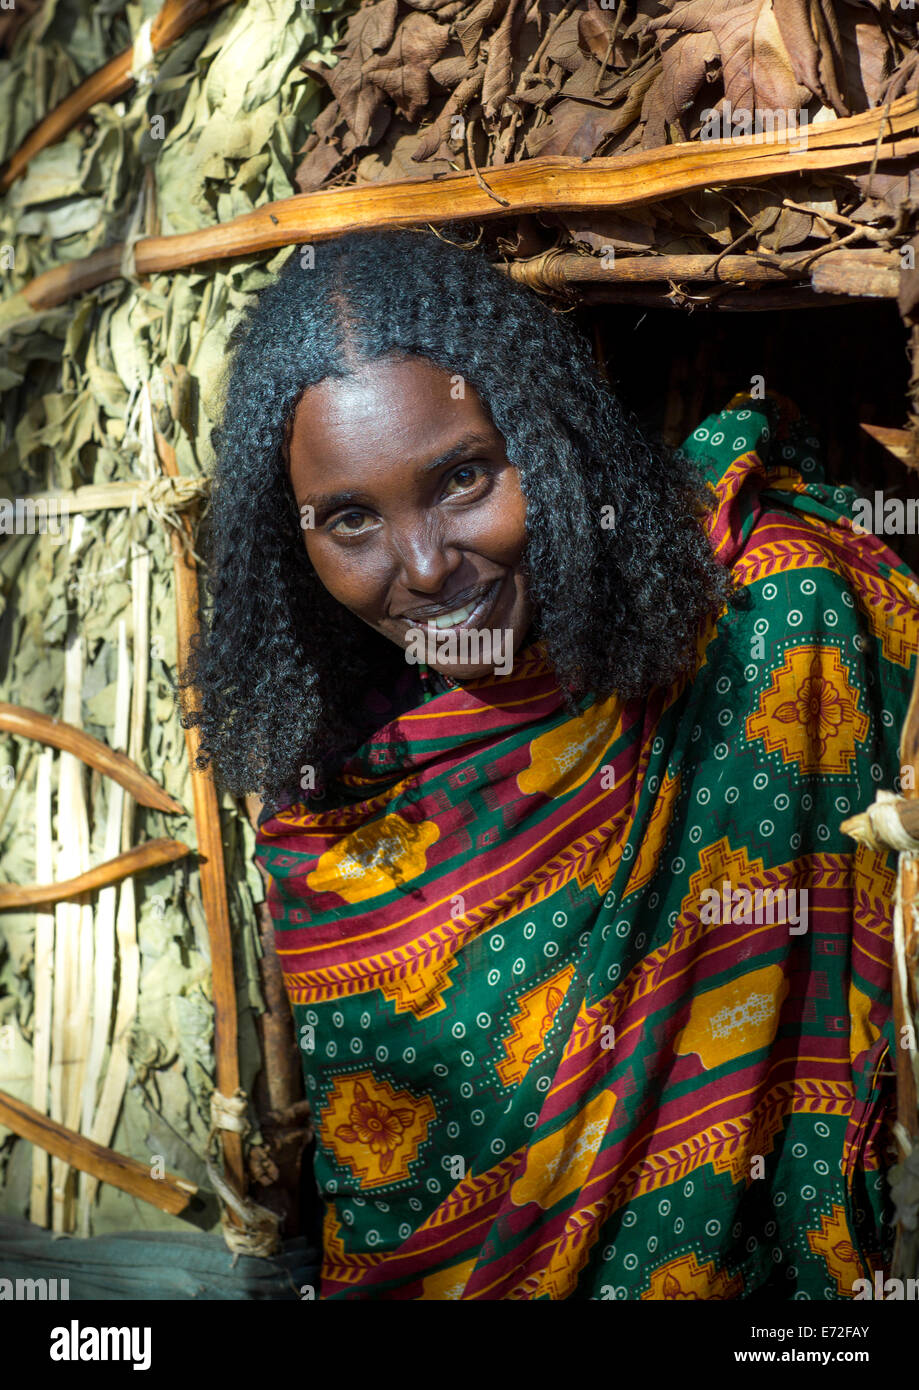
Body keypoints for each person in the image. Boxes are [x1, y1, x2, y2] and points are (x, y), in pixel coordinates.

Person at [184, 226, 919, 1300]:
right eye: (351, 520)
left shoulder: (762, 628)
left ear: (546, 433)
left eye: (464, 477)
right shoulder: (330, 811)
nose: (428, 566)